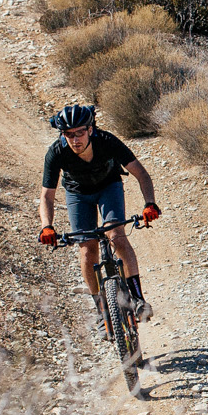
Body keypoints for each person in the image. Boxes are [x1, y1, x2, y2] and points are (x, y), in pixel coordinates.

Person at [38, 104, 161, 322]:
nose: (75, 139)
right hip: (77, 194)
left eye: (80, 133)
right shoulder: (56, 152)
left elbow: (141, 173)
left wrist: (149, 203)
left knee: (116, 235)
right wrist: (47, 226)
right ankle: (102, 310)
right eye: (69, 134)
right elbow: (47, 196)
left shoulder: (106, 141)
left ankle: (138, 298)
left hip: (108, 186)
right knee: (87, 249)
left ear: (90, 129)